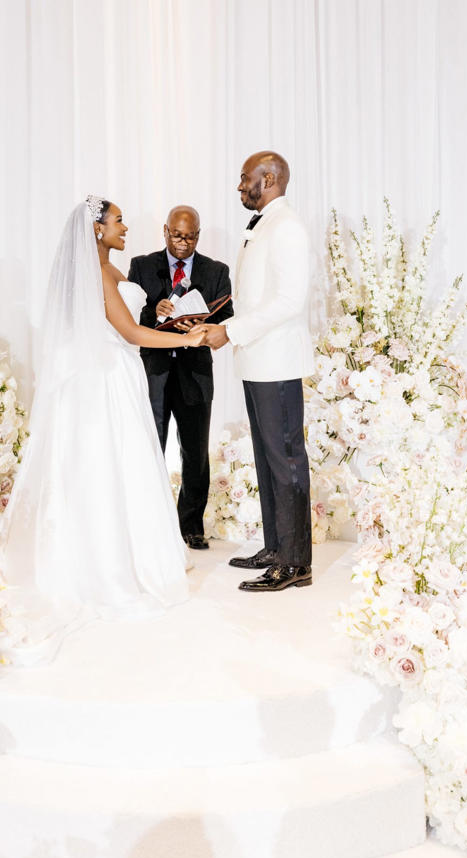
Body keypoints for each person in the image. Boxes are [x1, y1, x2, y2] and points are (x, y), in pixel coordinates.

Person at [0, 196, 206, 658]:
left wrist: (164, 314)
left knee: (119, 467)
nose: (126, 228)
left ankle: (128, 550)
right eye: (119, 221)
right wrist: (187, 337)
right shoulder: (98, 273)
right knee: (112, 467)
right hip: (108, 379)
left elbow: (125, 323)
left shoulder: (109, 272)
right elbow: (129, 334)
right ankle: (111, 563)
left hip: (117, 373)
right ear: (95, 229)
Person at [195, 152, 314, 592]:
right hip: (259, 359)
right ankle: (276, 546)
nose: (239, 185)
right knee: (268, 459)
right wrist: (216, 318)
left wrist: (231, 332)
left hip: (277, 361)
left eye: (245, 178)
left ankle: (295, 562)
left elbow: (288, 301)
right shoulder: (265, 224)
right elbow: (254, 295)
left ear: (267, 179)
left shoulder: (287, 227)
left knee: (285, 460)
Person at [128, 206, 232, 550]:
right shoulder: (142, 266)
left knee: (195, 453)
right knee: (149, 448)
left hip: (195, 373)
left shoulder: (216, 270)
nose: (183, 242)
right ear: (165, 231)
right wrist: (153, 310)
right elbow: (128, 316)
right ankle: (150, 523)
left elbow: (227, 319)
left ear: (198, 235)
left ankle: (190, 526)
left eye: (190, 236)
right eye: (177, 235)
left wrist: (204, 327)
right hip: (153, 372)